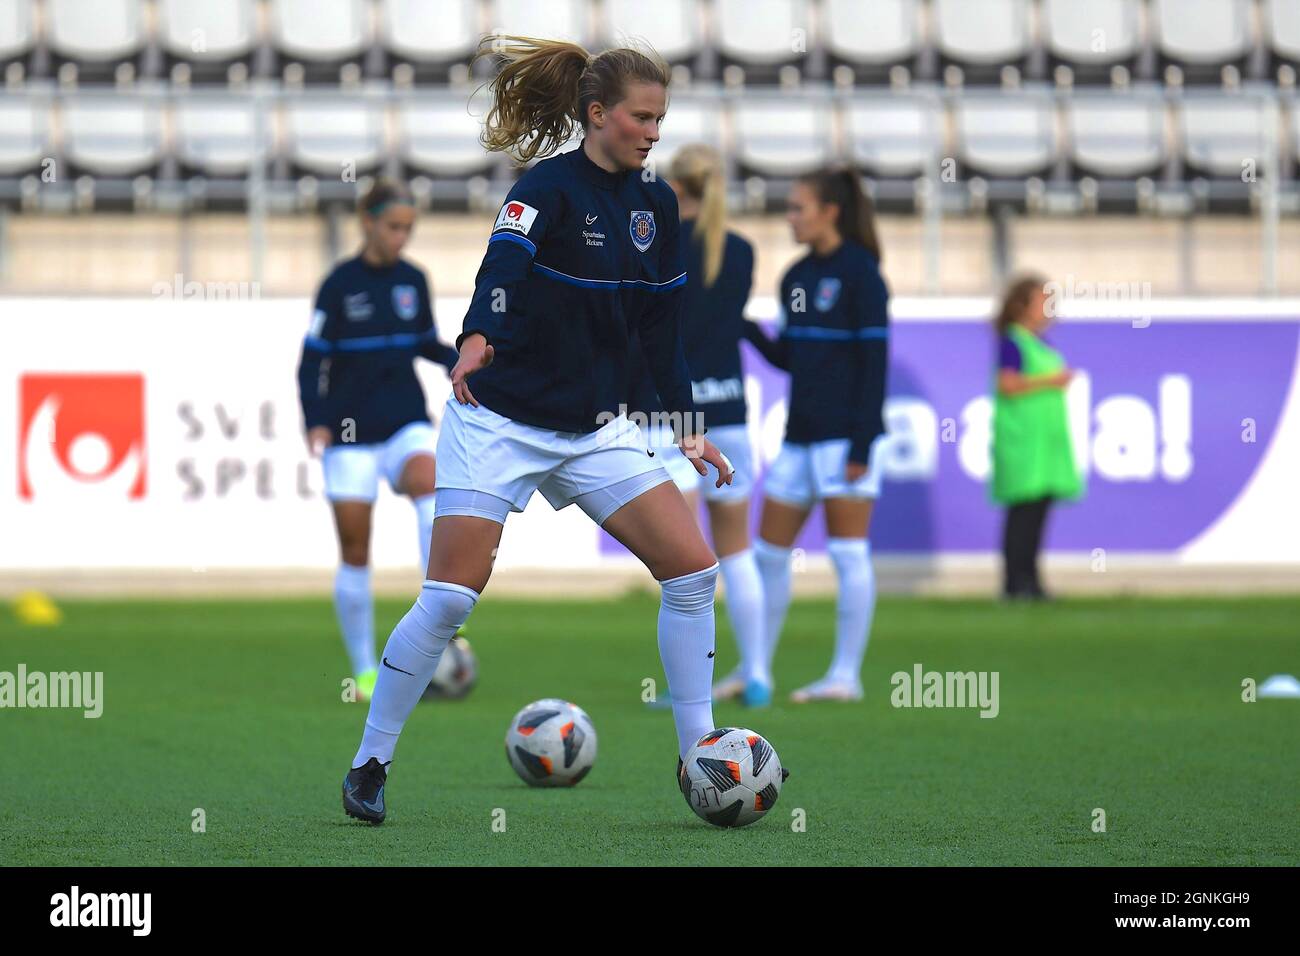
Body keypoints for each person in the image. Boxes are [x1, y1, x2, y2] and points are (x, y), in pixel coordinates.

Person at [341, 36, 768, 825]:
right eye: (641, 117)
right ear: (597, 114)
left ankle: (699, 753)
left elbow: (660, 329)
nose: (653, 131)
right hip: (498, 421)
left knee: (692, 571)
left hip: (595, 428)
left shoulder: (656, 206)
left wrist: (686, 425)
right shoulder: (546, 188)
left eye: (661, 119)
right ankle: (371, 760)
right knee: (448, 598)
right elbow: (502, 265)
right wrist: (476, 336)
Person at [297, 179, 458, 703]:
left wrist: (460, 360)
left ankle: (439, 618)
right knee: (355, 550)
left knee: (431, 494)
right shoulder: (339, 284)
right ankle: (365, 670)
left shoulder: (414, 279)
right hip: (348, 436)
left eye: (409, 228)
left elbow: (424, 344)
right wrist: (316, 419)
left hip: (404, 423)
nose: (402, 237)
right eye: (394, 227)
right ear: (368, 223)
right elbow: (312, 360)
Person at [626, 144, 767, 707]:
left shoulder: (660, 243)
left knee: (684, 567)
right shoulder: (740, 251)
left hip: (675, 417)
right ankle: (757, 674)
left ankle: (693, 689)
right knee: (737, 552)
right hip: (730, 409)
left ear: (676, 188)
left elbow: (649, 331)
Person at [743, 168, 889, 704]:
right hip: (798, 439)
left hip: (844, 441)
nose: (791, 216)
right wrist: (742, 325)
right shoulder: (797, 277)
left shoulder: (861, 275)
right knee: (767, 556)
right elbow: (792, 356)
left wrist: (862, 443)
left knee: (848, 555)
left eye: (799, 206)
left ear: (830, 211)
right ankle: (756, 669)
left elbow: (875, 366)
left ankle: (845, 677)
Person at [991, 274, 1082, 601]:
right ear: (1024, 305)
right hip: (1023, 443)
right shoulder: (1012, 342)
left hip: (1044, 445)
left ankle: (1031, 580)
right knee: (1023, 515)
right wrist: (1049, 381)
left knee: (1038, 514)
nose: (1049, 308)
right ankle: (1015, 583)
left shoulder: (1040, 343)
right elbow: (1008, 384)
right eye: (1043, 300)